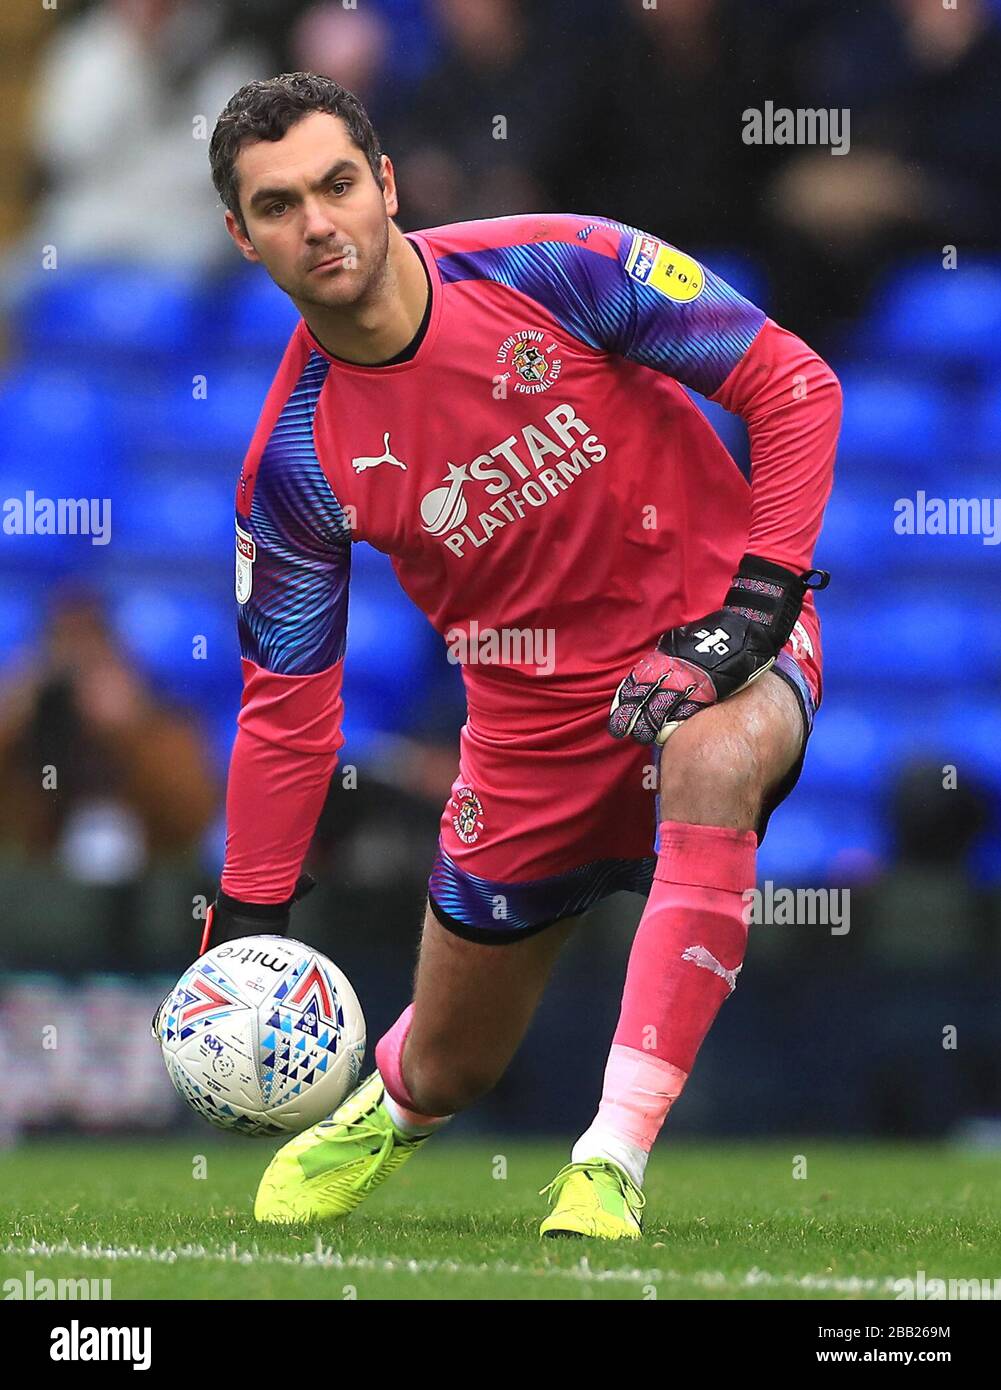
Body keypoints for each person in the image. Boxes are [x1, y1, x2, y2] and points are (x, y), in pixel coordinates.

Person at [194, 72, 840, 1239]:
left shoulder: (558, 265)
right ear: (244, 238)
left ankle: (610, 1156)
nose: (320, 222)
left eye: (338, 184)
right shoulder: (292, 462)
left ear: (385, 184)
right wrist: (249, 913)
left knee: (706, 755)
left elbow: (792, 384)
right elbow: (288, 710)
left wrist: (751, 608)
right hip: (530, 735)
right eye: (280, 205)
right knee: (447, 1065)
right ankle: (387, 1107)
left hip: (714, 649)